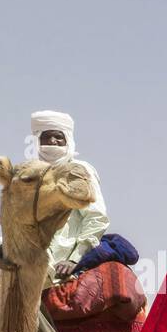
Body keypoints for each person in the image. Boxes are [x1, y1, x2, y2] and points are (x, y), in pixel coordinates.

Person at [31, 110, 109, 282]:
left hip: (67, 268)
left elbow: (96, 218)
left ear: (68, 139)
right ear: (37, 140)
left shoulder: (78, 171)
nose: (52, 141)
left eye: (58, 136)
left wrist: (75, 259)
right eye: (46, 136)